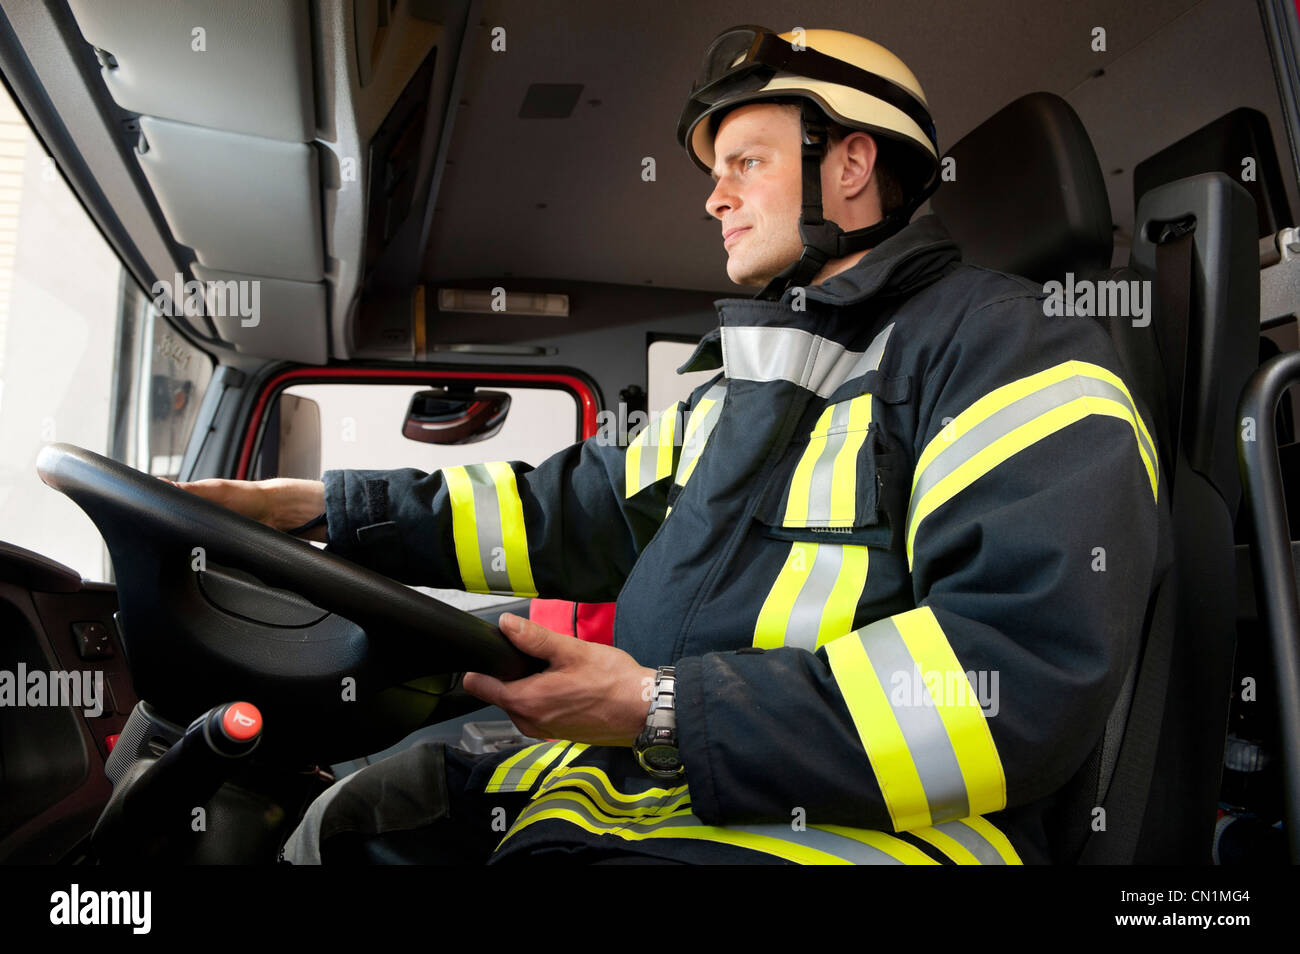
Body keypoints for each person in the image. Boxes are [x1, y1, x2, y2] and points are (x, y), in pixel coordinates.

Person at [177, 26, 1168, 864]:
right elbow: (584, 505)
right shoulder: (756, 376)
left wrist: (663, 708)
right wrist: (316, 509)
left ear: (852, 166)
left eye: (747, 161)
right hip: (638, 783)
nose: (713, 197)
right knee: (345, 822)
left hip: (838, 830)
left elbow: (1010, 672)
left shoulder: (1010, 347)